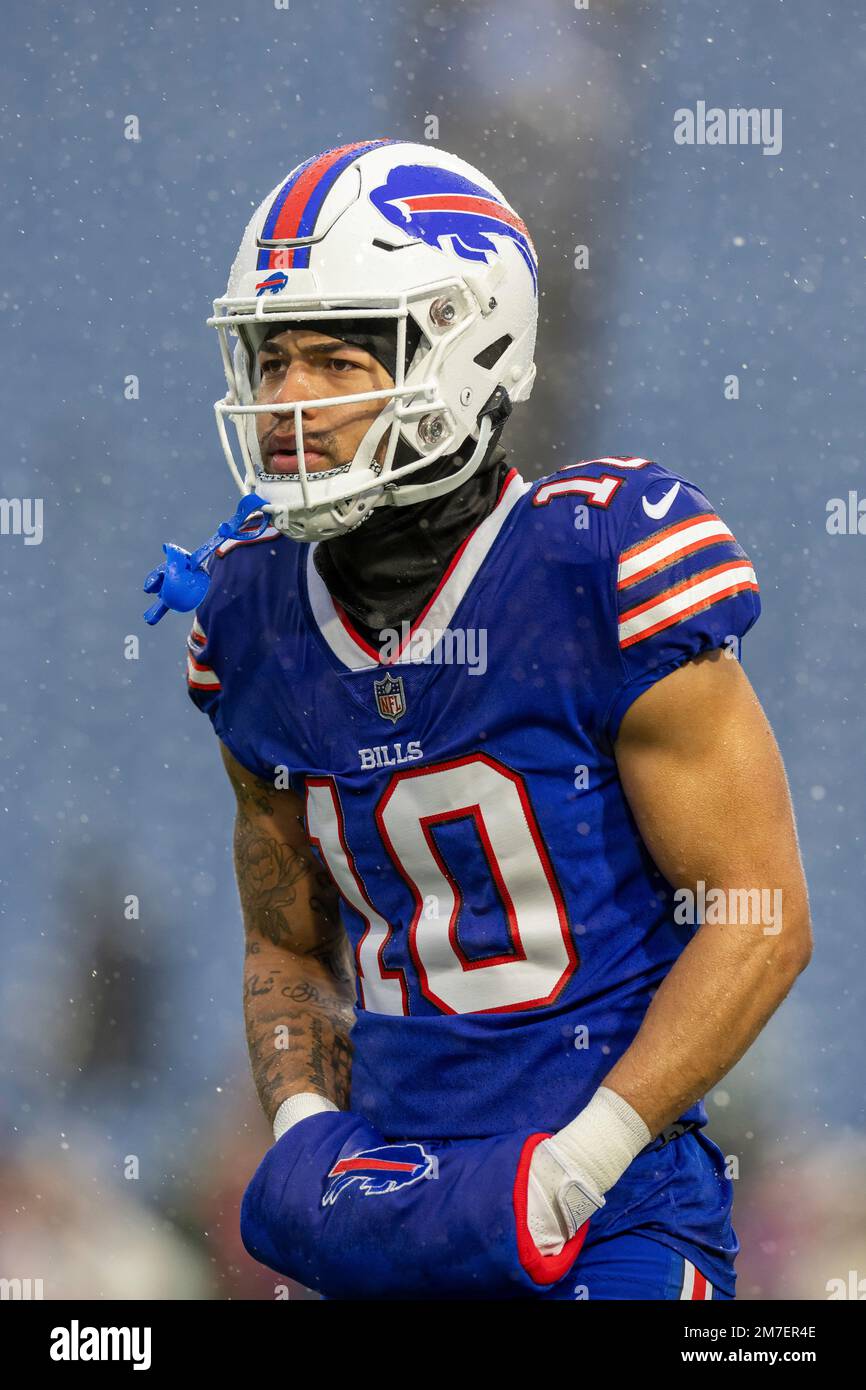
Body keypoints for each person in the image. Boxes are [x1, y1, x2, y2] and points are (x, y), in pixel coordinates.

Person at [184, 139, 811, 1300]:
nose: (287, 402)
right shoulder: (252, 613)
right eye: (271, 361)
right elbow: (285, 937)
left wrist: (583, 1157)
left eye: (334, 357)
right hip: (394, 1199)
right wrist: (307, 1123)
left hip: (612, 1206)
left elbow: (759, 914)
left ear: (469, 350)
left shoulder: (598, 566)